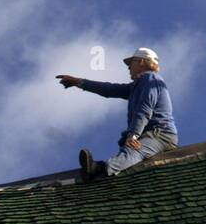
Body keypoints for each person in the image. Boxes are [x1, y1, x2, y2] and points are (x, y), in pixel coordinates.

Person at [56, 48, 178, 180]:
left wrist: (134, 135)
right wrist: (79, 82)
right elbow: (109, 89)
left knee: (134, 150)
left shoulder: (151, 79)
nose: (128, 67)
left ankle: (99, 169)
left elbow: (145, 108)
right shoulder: (136, 86)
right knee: (129, 148)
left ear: (142, 62)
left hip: (160, 135)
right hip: (149, 134)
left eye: (131, 63)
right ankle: (106, 168)